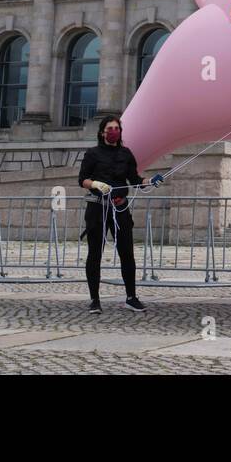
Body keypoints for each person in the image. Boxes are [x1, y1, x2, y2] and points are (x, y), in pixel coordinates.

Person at [78, 115, 145, 314]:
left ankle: (131, 297)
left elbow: (134, 179)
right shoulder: (92, 153)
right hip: (98, 208)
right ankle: (94, 300)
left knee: (127, 254)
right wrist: (95, 184)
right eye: (110, 128)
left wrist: (150, 181)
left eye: (117, 128)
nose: (114, 131)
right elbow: (82, 180)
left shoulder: (126, 154)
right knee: (95, 254)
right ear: (102, 132)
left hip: (120, 208)